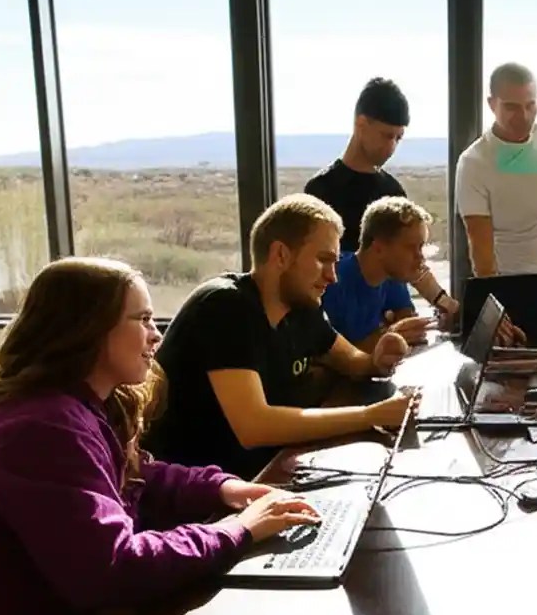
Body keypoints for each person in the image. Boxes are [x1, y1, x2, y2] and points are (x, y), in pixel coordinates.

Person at [0, 258, 319, 615]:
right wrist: (233, 531)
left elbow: (136, 473)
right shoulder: (41, 428)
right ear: (87, 329)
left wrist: (223, 488)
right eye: (142, 319)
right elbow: (113, 570)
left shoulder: (78, 406)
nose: (156, 334)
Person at [141, 194, 417, 480]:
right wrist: (370, 416)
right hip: (193, 491)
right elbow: (255, 426)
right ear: (281, 255)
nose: (332, 277)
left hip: (258, 473)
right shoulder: (225, 306)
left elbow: (354, 362)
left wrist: (380, 359)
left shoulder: (301, 308)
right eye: (323, 260)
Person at [304, 77, 460, 320]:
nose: (391, 147)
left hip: (392, 320)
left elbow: (410, 262)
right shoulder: (321, 190)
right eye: (386, 136)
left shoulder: (392, 190)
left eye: (398, 138)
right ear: (361, 124)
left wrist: (447, 305)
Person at [455, 62, 537, 326]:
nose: (524, 116)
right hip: (507, 285)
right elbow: (479, 242)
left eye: (530, 105)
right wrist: (492, 306)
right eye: (512, 107)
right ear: (492, 104)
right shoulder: (474, 162)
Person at [320, 196, 438, 352]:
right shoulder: (331, 281)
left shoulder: (393, 274)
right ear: (378, 248)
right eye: (410, 248)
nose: (420, 256)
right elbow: (332, 358)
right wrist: (389, 335)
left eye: (421, 247)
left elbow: (406, 319)